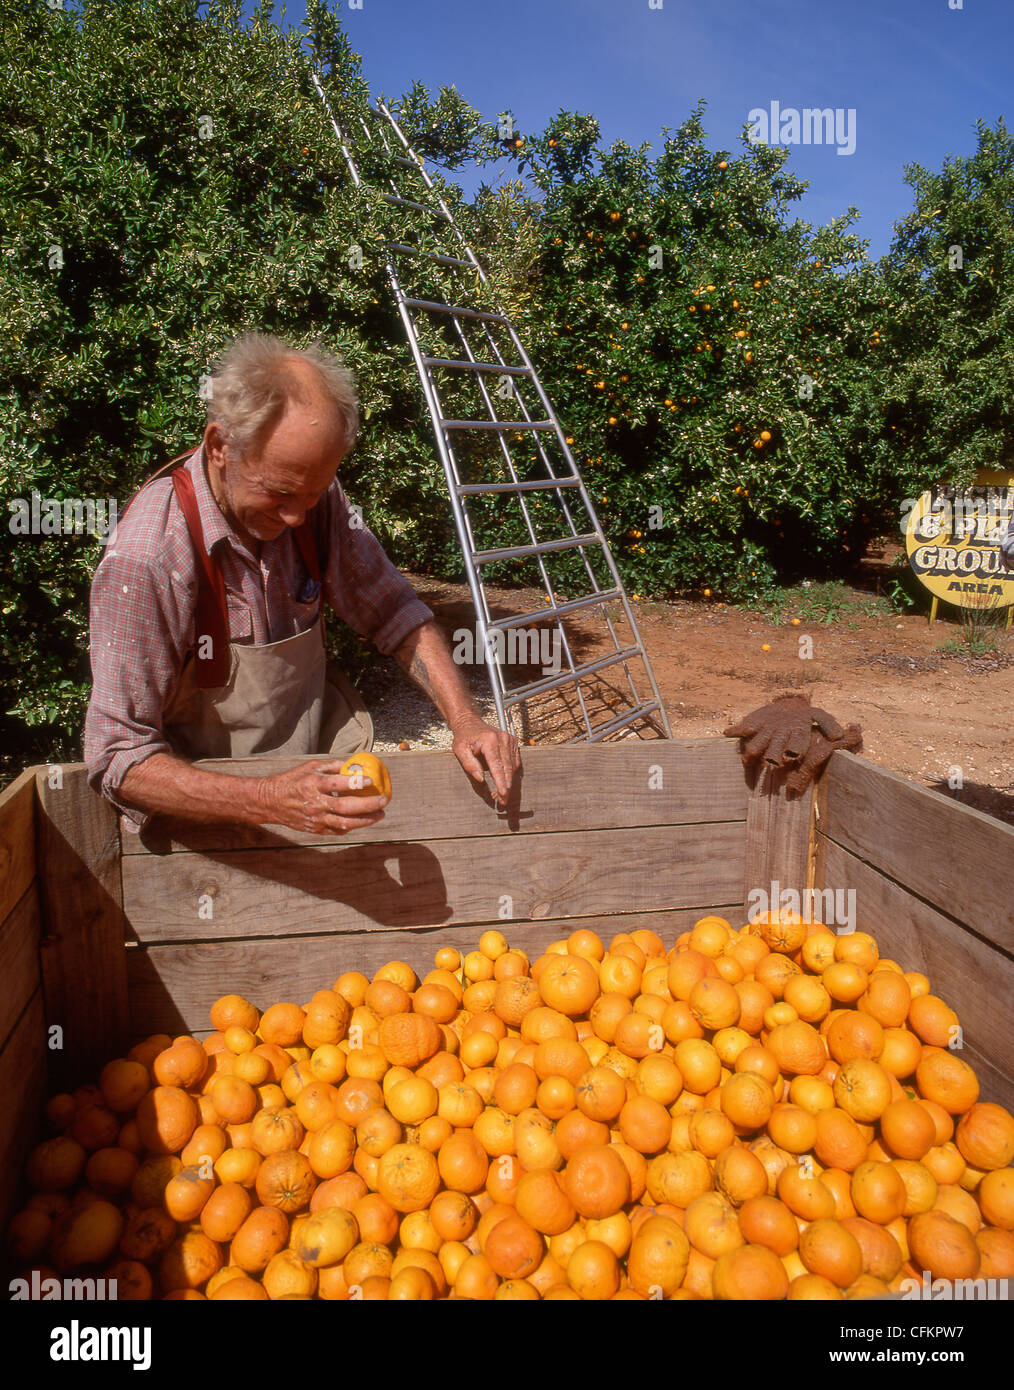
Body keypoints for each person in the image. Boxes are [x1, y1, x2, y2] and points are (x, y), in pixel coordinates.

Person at [84, 334, 520, 837]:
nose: (296, 517)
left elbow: (395, 612)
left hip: (316, 783)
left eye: (312, 495)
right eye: (279, 493)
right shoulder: (148, 559)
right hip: (204, 816)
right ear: (219, 447)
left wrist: (465, 720)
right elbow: (119, 755)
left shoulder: (315, 498)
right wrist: (269, 799)